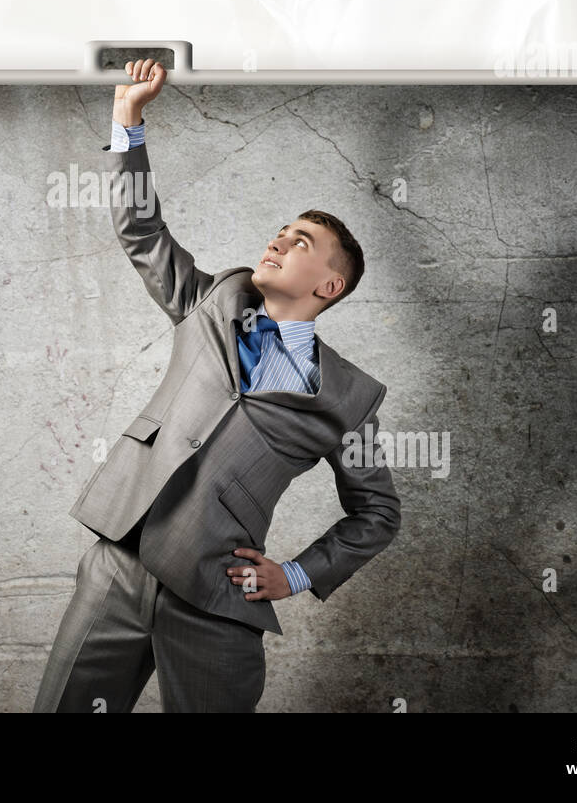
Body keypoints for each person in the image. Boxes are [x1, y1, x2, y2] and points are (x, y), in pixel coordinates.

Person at [32, 59, 401, 713]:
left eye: (301, 241)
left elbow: (378, 514)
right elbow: (140, 231)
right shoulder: (216, 297)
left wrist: (291, 575)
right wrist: (129, 122)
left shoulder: (349, 398)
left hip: (216, 601)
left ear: (329, 286)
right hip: (121, 564)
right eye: (282, 230)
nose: (279, 240)